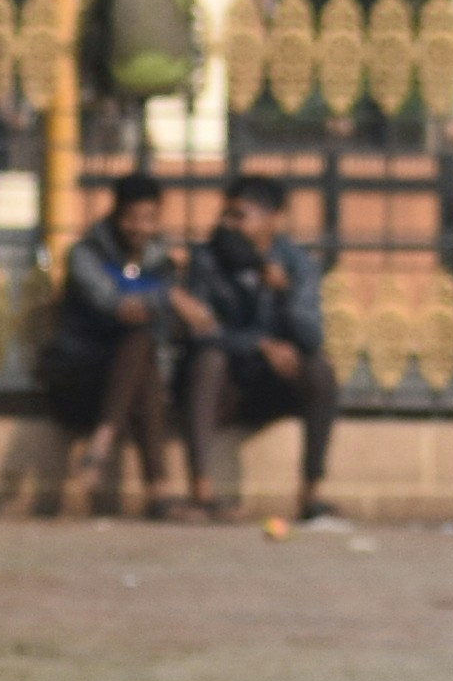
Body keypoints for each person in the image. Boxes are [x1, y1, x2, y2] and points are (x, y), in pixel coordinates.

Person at [185, 170, 341, 526]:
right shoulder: (208, 258)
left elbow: (312, 337)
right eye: (226, 215)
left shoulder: (298, 264)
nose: (229, 224)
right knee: (209, 359)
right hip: (225, 384)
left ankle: (311, 492)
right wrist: (259, 344)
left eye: (240, 216)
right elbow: (202, 331)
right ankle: (202, 489)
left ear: (274, 219)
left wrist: (283, 293)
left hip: (273, 384)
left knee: (319, 370)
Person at [31, 172, 188, 521]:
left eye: (149, 219)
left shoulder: (163, 264)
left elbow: (161, 326)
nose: (139, 228)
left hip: (128, 389)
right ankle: (157, 489)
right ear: (117, 215)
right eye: (132, 218)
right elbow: (116, 305)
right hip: (79, 376)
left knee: (143, 350)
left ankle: (103, 443)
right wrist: (169, 298)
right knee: (139, 342)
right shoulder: (87, 255)